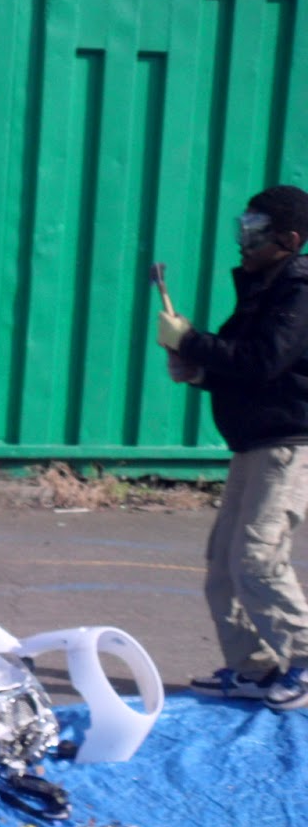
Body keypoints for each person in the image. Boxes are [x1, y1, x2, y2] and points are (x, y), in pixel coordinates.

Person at [158, 183, 308, 711]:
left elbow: (263, 360)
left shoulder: (300, 291)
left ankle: (306, 659)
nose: (243, 242)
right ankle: (254, 667)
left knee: (258, 558)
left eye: (256, 233)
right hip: (252, 443)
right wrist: (196, 370)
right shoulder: (261, 291)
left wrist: (190, 340)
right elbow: (239, 370)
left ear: (288, 239)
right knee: (223, 564)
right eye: (242, 229)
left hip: (289, 444)